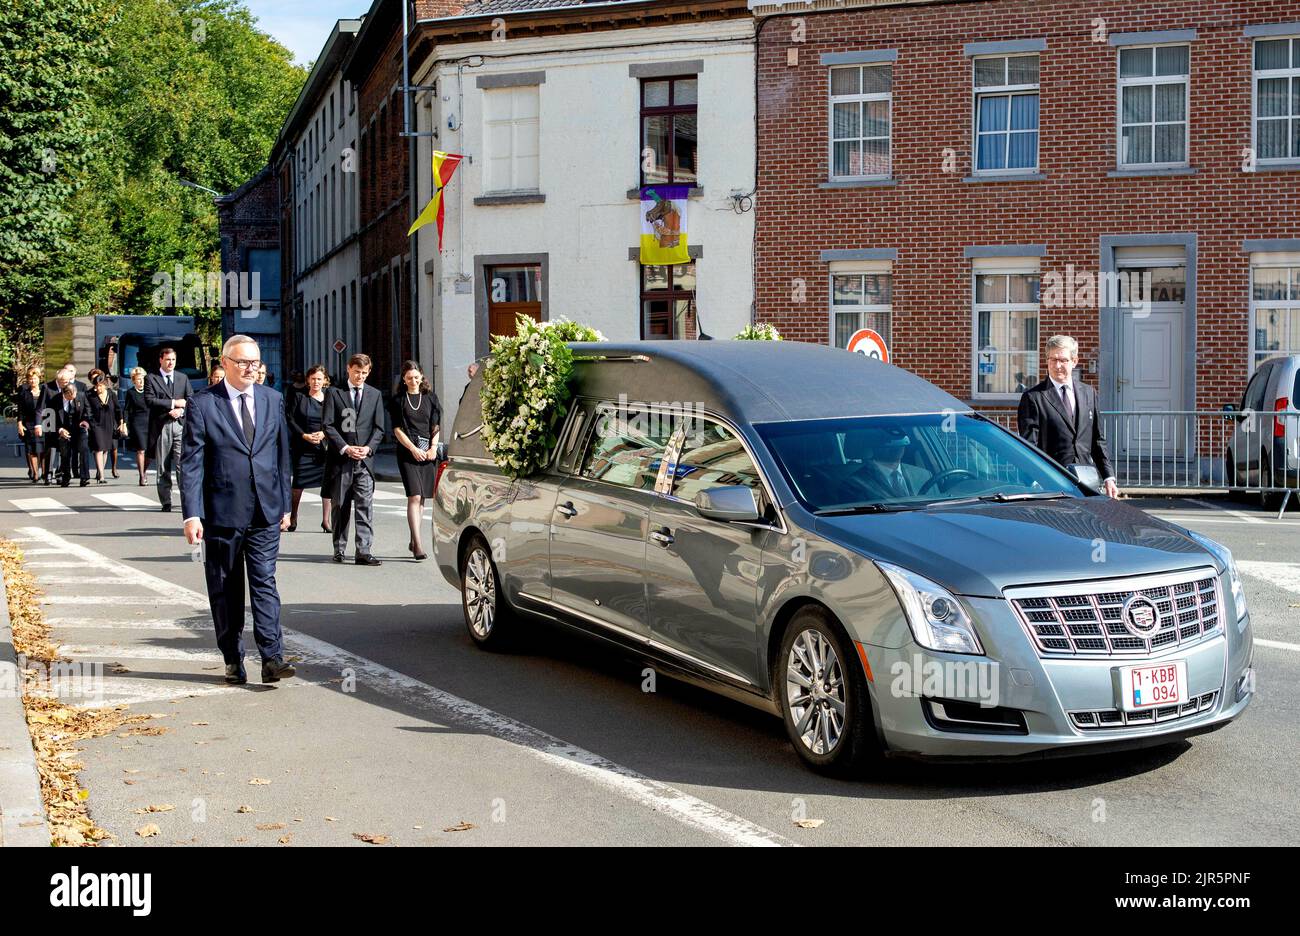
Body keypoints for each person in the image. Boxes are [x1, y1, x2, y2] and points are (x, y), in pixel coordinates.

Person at [180, 334, 295, 686]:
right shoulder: (203, 404)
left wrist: (286, 505)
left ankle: (272, 657)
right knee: (226, 588)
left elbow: (281, 456)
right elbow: (192, 463)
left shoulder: (272, 399)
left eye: (255, 362)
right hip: (221, 513)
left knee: (264, 582)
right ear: (225, 363)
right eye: (243, 361)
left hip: (265, 511)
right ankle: (232, 656)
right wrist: (191, 514)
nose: (250, 368)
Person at [1017, 334, 1120, 498]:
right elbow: (1030, 446)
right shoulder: (1033, 397)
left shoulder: (1089, 393)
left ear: (1074, 361)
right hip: (1051, 483)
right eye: (1053, 360)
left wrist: (1108, 476)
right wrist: (1034, 480)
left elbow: (1097, 440)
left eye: (1063, 360)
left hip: (1087, 481)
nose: (1057, 365)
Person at [322, 353, 384, 566]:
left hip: (364, 461)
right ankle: (339, 548)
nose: (360, 376)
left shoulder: (374, 395)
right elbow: (328, 425)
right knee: (341, 504)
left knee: (365, 505)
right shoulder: (334, 393)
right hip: (342, 460)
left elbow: (379, 428)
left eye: (364, 373)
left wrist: (368, 448)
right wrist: (346, 448)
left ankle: (363, 551)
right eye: (357, 372)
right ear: (349, 369)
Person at [388, 361, 441, 561]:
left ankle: (414, 537)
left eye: (416, 377)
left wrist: (433, 448)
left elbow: (435, 425)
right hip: (407, 452)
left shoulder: (430, 398)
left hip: (428, 453)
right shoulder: (398, 400)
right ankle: (418, 544)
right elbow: (397, 429)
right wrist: (412, 448)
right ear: (404, 379)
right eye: (409, 377)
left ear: (421, 377)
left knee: (423, 498)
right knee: (414, 496)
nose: (413, 380)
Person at [145, 346, 193, 512]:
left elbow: (190, 400)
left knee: (182, 464)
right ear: (161, 360)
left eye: (173, 359)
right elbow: (150, 400)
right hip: (162, 425)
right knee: (163, 465)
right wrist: (172, 404)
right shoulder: (152, 378)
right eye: (167, 360)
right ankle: (166, 501)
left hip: (180, 425)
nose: (171, 363)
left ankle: (187, 500)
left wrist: (181, 409)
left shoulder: (182, 378)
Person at [286, 365, 333, 533]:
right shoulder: (299, 397)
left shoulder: (330, 397)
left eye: (319, 379)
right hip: (303, 446)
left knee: (327, 484)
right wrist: (303, 435)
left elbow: (335, 421)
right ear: (307, 380)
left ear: (325, 380)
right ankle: (293, 516)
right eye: (313, 379)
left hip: (324, 448)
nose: (316, 382)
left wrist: (324, 433)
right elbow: (290, 419)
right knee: (298, 483)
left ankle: (326, 520)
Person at [84, 369, 123, 484]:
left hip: (109, 424)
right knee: (99, 449)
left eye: (100, 386)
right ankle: (101, 475)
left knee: (105, 449)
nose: (98, 388)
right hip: (96, 424)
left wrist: (121, 422)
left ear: (105, 385)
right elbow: (87, 410)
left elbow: (118, 409)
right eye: (96, 386)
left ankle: (101, 471)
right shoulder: (89, 394)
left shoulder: (111, 394)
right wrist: (90, 423)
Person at [54, 383, 91, 488]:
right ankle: (66, 476)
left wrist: (85, 421)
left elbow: (88, 411)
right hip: (64, 429)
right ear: (65, 394)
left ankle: (84, 477)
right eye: (71, 395)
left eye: (75, 394)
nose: (74, 397)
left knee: (83, 449)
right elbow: (51, 417)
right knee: (65, 454)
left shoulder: (81, 396)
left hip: (80, 428)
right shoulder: (56, 400)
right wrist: (60, 429)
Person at [16, 366, 47, 483]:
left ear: (39, 379)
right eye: (30, 379)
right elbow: (20, 411)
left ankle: (45, 473)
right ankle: (35, 473)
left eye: (35, 378)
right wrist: (19, 424)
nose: (33, 381)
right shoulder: (24, 393)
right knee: (32, 450)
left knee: (43, 450)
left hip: (43, 424)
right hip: (29, 424)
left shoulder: (45, 391)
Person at [123, 367, 152, 486]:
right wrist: (124, 424)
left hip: (150, 422)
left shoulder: (149, 391)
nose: (141, 382)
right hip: (137, 423)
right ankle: (141, 476)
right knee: (141, 450)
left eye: (142, 379)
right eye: (138, 380)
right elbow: (126, 410)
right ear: (133, 381)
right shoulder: (130, 392)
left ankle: (144, 470)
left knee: (150, 452)